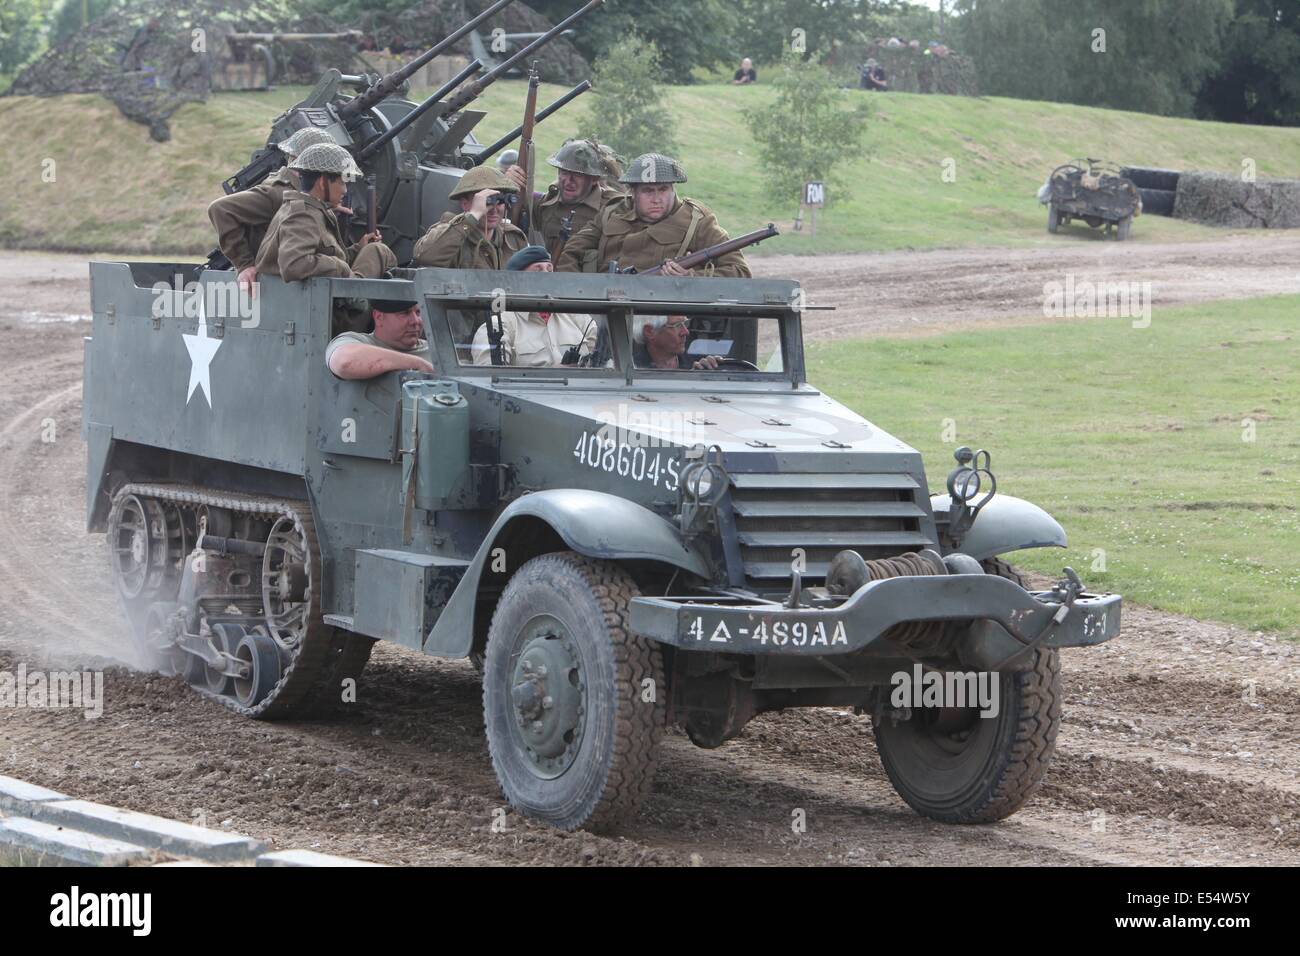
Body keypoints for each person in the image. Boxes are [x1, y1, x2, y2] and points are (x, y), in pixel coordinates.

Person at [556, 153, 752, 278]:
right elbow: (570, 252)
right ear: (633, 192)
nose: (657, 198)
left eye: (663, 189)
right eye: (648, 191)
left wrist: (692, 278)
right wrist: (580, 302)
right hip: (605, 311)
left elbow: (740, 272)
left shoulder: (698, 222)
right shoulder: (612, 212)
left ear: (673, 189)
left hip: (667, 318)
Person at [207, 127, 337, 291]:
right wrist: (245, 265)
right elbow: (220, 209)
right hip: (276, 287)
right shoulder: (277, 193)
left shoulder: (299, 192)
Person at [254, 143, 397, 281]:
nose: (345, 190)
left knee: (374, 249)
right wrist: (339, 266)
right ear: (323, 182)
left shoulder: (312, 210)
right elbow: (293, 265)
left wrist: (358, 249)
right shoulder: (302, 215)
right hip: (333, 301)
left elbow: (324, 255)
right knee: (379, 251)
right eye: (342, 182)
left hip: (329, 292)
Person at [470, 247, 598, 367]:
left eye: (549, 269)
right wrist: (551, 375)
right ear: (517, 280)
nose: (546, 275)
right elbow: (491, 380)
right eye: (537, 271)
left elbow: (604, 363)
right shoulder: (499, 326)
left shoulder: (577, 317)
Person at [503, 138, 624, 262]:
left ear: (594, 179)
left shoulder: (614, 207)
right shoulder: (548, 204)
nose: (569, 181)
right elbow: (507, 207)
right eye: (564, 172)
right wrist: (509, 183)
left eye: (578, 175)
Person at [410, 165, 528, 270]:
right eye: (487, 202)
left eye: (500, 201)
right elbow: (426, 257)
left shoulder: (513, 238)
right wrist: (473, 216)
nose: (494, 209)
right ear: (464, 204)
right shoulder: (449, 235)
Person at [326, 296, 434, 380]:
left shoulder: (436, 350)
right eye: (404, 313)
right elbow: (344, 362)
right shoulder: (358, 342)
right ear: (379, 317)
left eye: (418, 312)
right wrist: (418, 364)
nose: (416, 321)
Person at [632, 315, 722, 370]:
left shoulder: (699, 362)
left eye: (685, 324)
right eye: (677, 325)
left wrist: (711, 369)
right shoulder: (633, 368)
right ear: (649, 332)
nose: (685, 332)